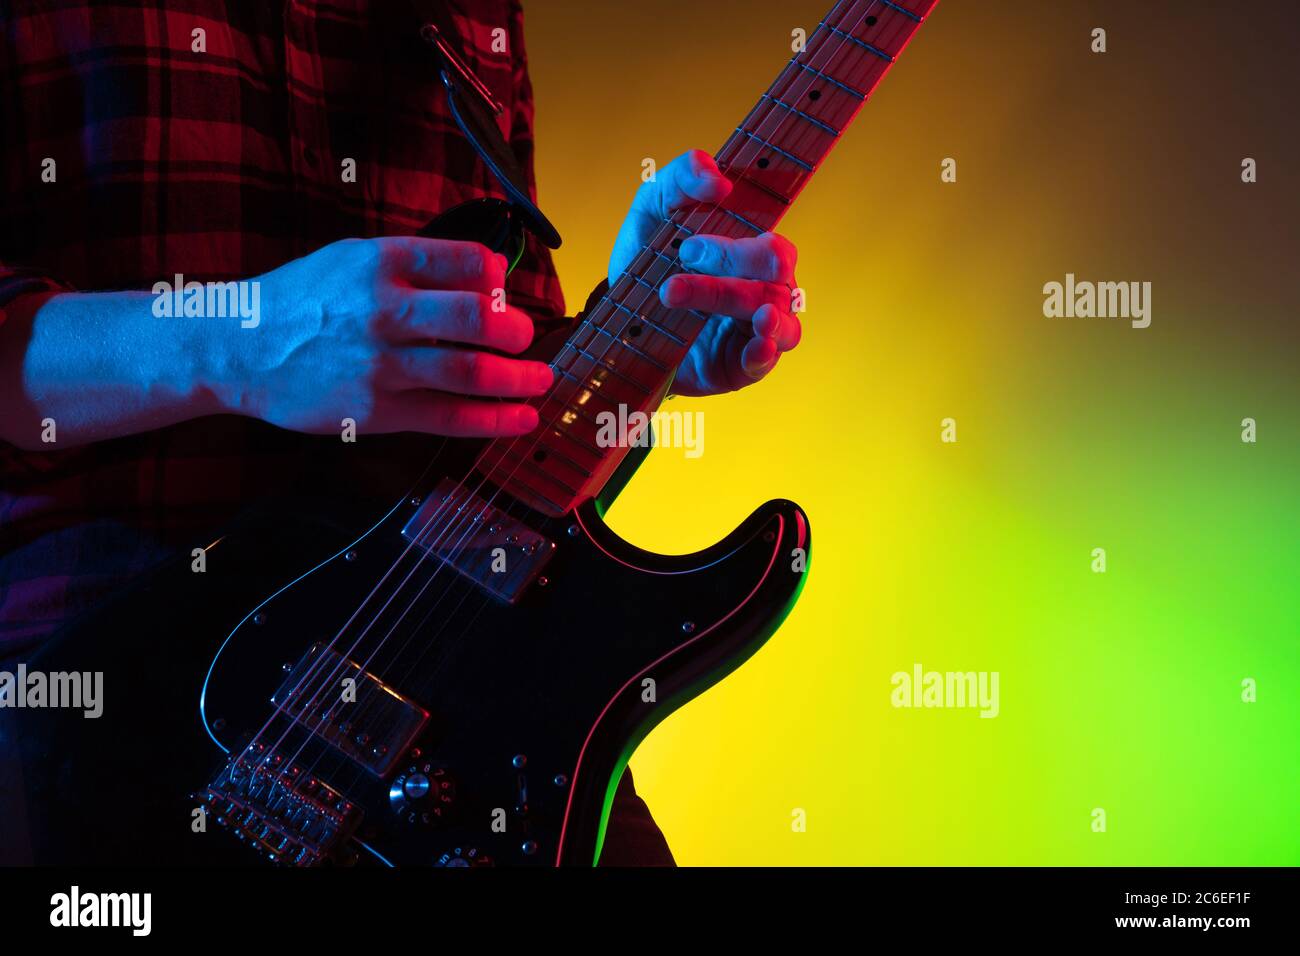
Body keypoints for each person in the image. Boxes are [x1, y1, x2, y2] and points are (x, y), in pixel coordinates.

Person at [0, 0, 801, 866]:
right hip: (115, 713)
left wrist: (642, 328)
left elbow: (497, 404)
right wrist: (241, 338)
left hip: (463, 711)